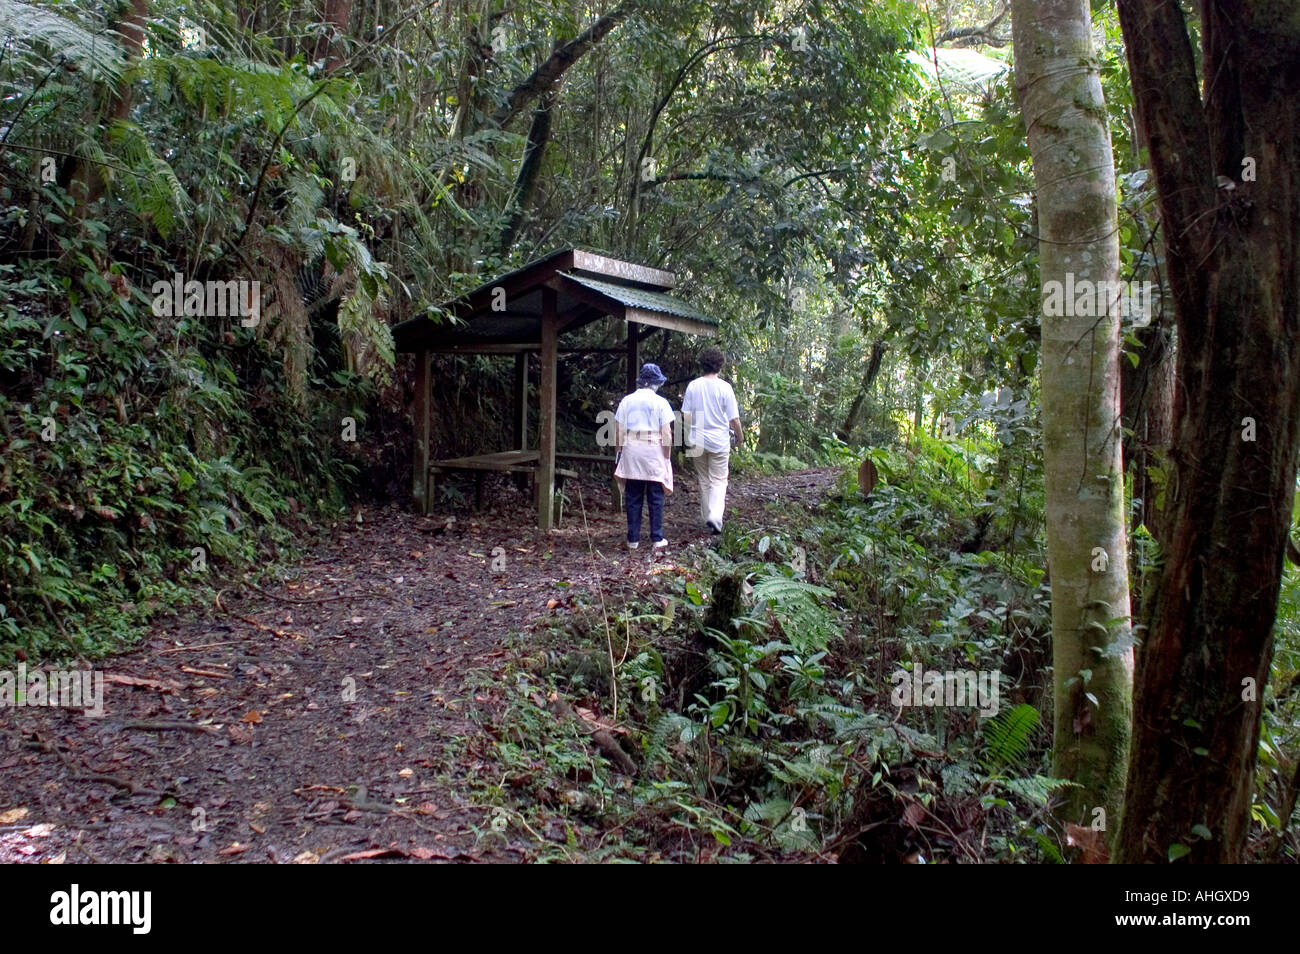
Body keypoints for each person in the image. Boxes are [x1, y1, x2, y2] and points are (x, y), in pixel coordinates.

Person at [681, 347, 743, 534]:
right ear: (720, 366)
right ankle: (715, 517)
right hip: (719, 440)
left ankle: (708, 516)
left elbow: (685, 415)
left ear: (702, 365)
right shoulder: (725, 387)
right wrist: (740, 436)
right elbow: (733, 419)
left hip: (697, 439)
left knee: (704, 479)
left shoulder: (693, 385)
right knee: (718, 479)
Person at [614, 363, 675, 550]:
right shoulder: (661, 403)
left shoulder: (627, 401)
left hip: (632, 450)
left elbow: (619, 431)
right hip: (653, 451)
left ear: (641, 382)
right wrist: (666, 456)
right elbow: (666, 433)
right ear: (656, 383)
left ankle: (633, 539)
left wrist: (619, 453)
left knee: (633, 495)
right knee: (656, 495)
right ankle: (657, 538)